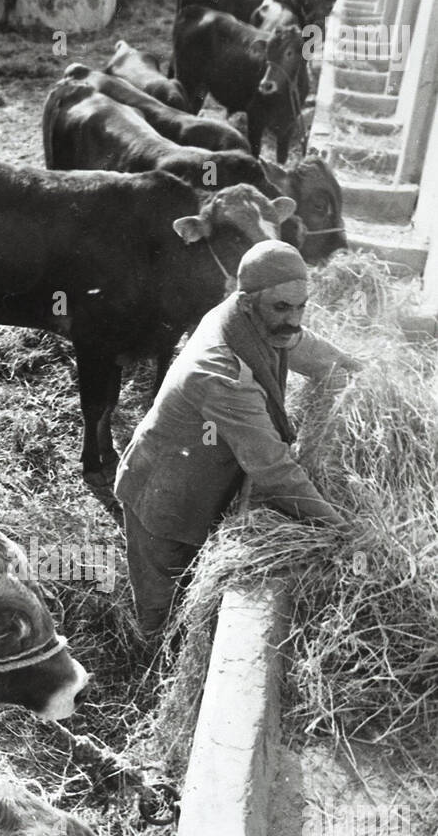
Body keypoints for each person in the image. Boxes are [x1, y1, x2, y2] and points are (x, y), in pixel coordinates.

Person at [115, 239, 362, 636]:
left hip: (203, 471)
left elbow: (301, 343)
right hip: (164, 490)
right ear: (248, 302)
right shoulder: (223, 374)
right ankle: (147, 664)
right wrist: (345, 530)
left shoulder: (252, 320)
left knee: (190, 577)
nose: (294, 318)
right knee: (161, 602)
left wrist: (360, 369)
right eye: (282, 307)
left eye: (301, 306)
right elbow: (274, 468)